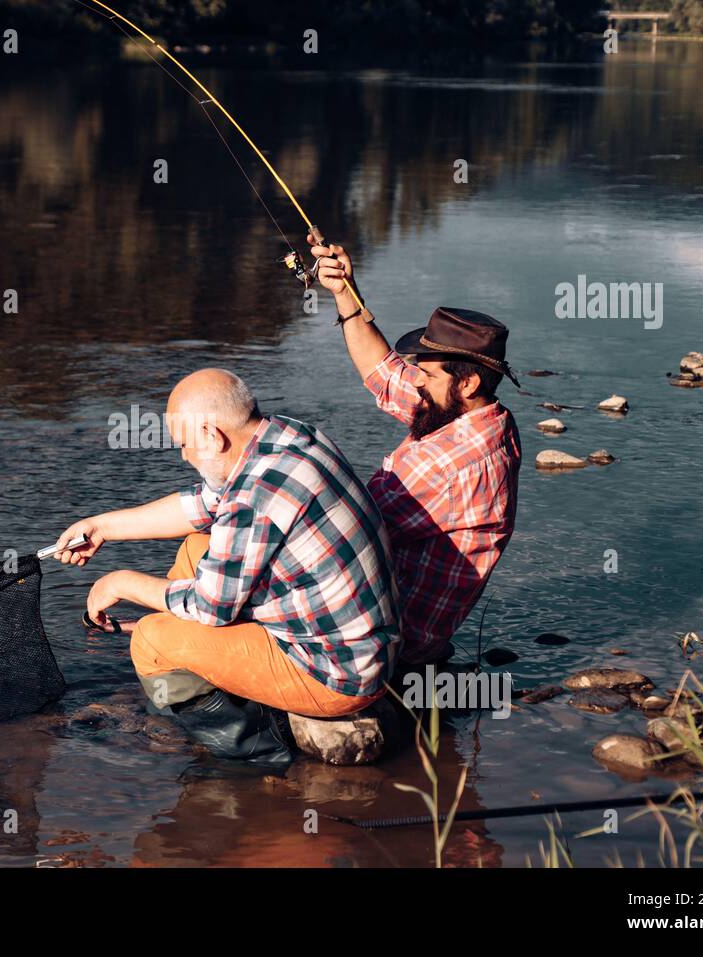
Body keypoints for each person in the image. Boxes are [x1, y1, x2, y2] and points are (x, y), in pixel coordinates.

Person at [53, 368, 401, 766]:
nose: (183, 456)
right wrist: (102, 527)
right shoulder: (288, 437)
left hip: (336, 676)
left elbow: (210, 607)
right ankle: (203, 675)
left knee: (150, 640)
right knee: (195, 549)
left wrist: (121, 582)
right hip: (360, 646)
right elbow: (202, 505)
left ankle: (260, 753)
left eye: (184, 444)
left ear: (211, 435)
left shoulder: (255, 495)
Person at [309, 236, 522, 667]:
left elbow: (338, 535)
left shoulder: (448, 462)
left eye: (425, 372)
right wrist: (345, 294)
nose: (416, 380)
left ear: (467, 383)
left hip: (382, 641)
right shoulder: (482, 416)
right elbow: (384, 373)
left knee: (203, 579)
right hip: (409, 626)